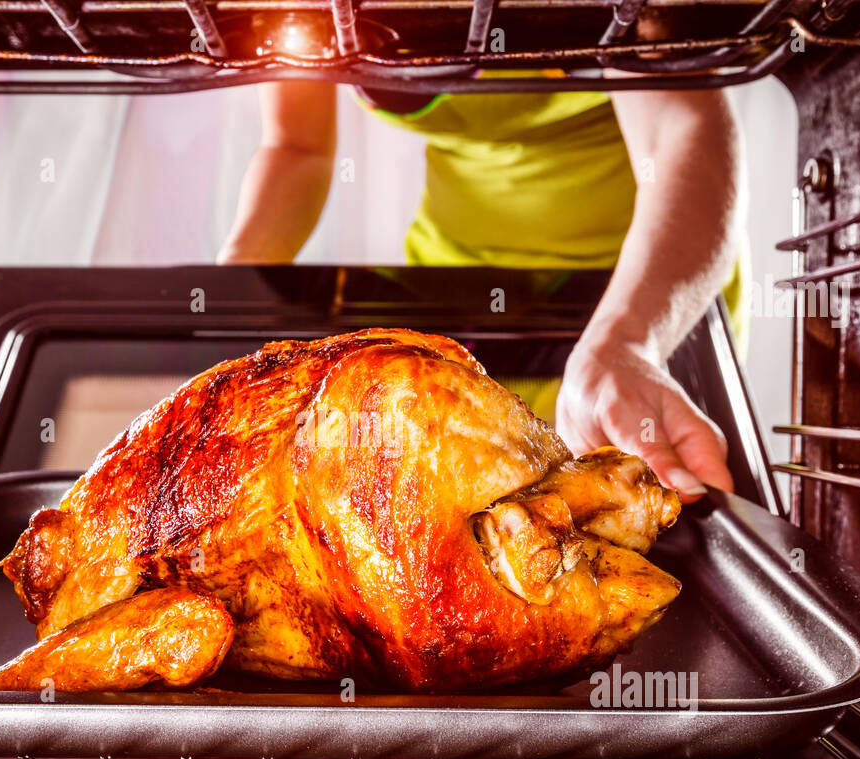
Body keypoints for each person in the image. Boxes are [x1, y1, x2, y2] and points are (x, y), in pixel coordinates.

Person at [218, 78, 747, 502]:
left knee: (634, 513)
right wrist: (232, 281)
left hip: (645, 284)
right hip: (453, 276)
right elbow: (297, 146)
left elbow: (683, 126)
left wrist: (629, 341)